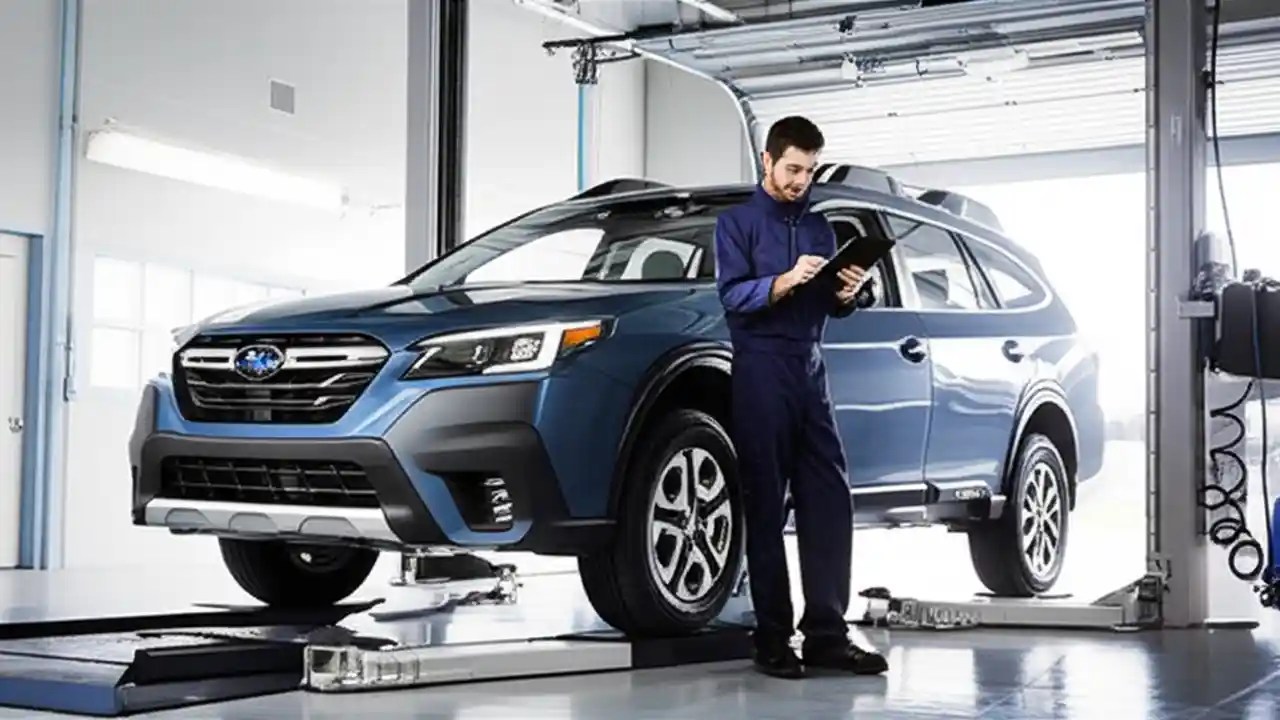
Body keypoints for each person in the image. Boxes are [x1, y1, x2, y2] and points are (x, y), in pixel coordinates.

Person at [713, 115, 888, 679]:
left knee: (829, 500)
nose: (800, 180)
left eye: (809, 171)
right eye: (792, 168)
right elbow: (732, 297)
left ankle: (828, 638)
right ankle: (771, 638)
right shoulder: (736, 224)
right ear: (767, 161)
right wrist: (785, 280)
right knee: (765, 502)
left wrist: (848, 293)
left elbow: (832, 306)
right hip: (760, 365)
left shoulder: (820, 230)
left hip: (811, 367)